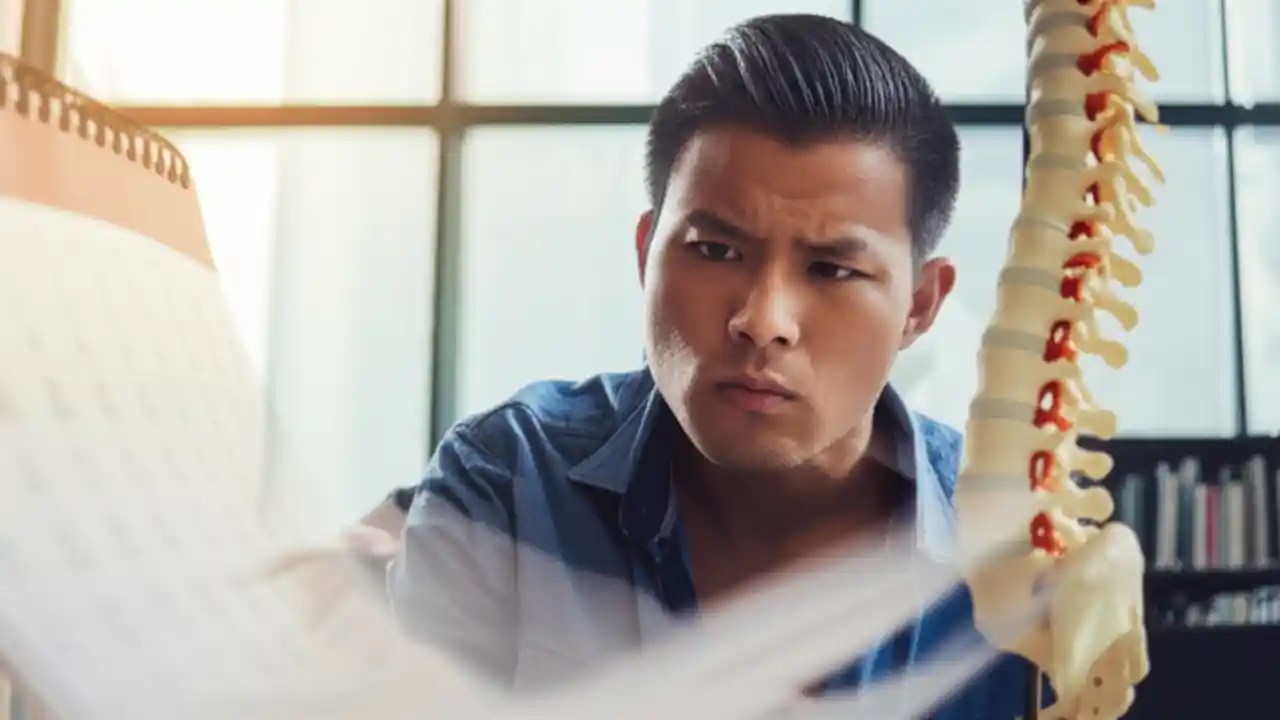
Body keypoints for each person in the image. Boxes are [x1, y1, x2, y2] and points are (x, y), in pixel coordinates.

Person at [382, 13, 1037, 717]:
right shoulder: (509, 487)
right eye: (716, 251)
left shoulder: (1020, 557)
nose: (762, 320)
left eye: (831, 269)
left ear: (920, 306)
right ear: (645, 254)